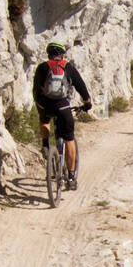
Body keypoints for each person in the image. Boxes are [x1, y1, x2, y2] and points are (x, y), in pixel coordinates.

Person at [32, 41, 93, 190]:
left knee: (44, 119)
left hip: (45, 104)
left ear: (49, 54)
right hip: (62, 106)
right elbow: (80, 86)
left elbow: (36, 89)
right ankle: (71, 177)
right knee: (69, 138)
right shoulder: (68, 67)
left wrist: (40, 105)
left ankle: (46, 145)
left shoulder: (42, 67)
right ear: (62, 54)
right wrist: (87, 103)